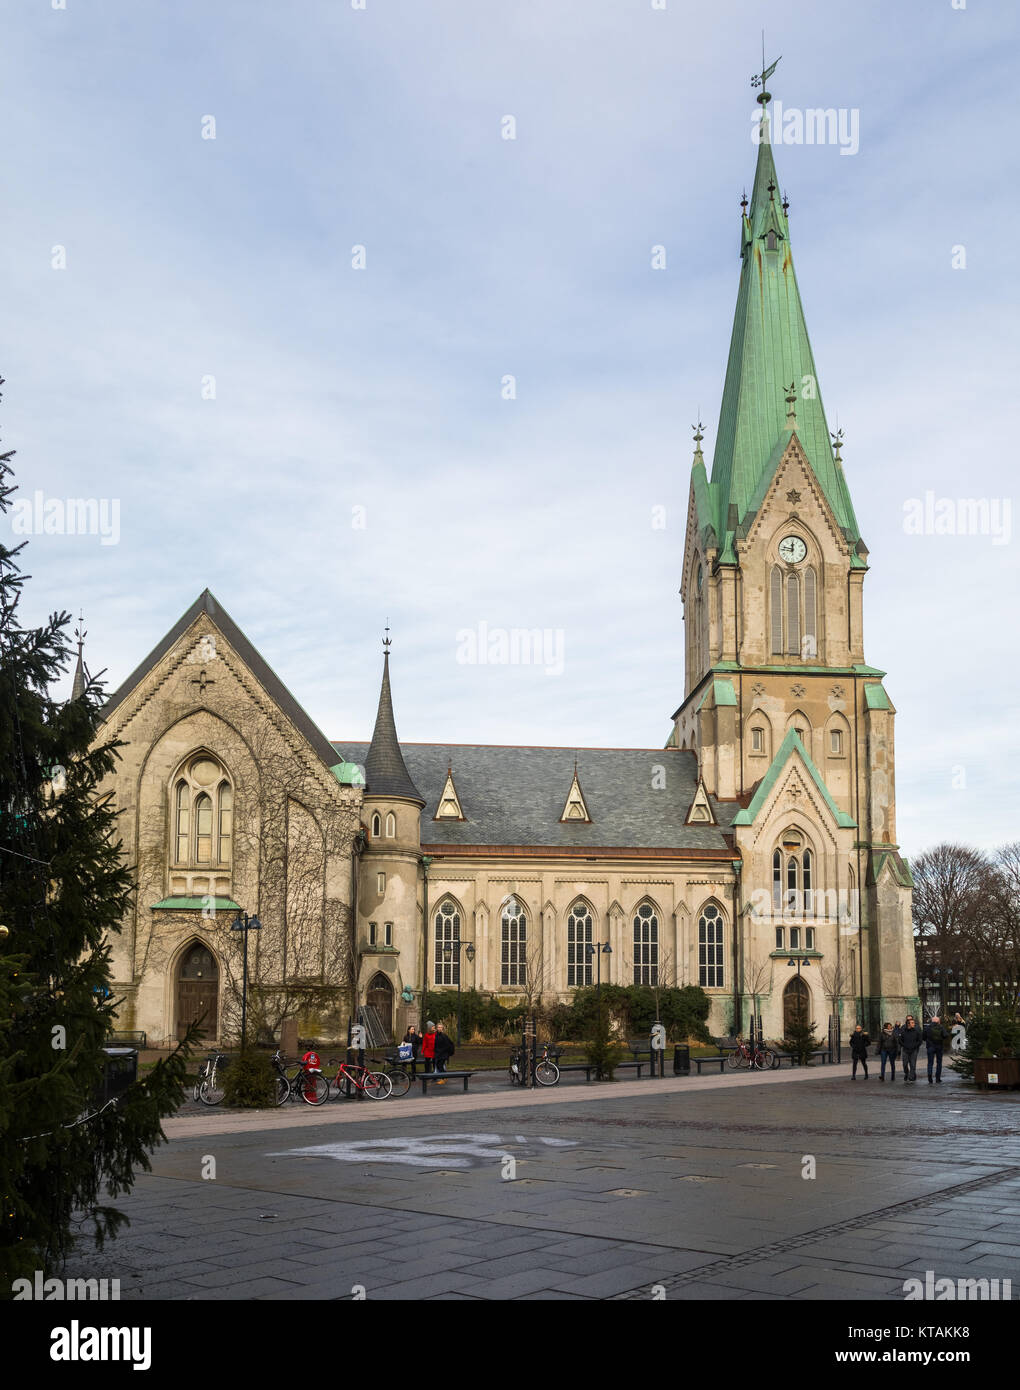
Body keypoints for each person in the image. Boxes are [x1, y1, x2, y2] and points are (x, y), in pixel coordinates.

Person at [924, 1014, 948, 1084]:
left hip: (930, 1047)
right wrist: (941, 1039)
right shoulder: (941, 1027)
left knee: (930, 1063)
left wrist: (928, 1040)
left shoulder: (927, 1027)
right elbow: (946, 1035)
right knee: (939, 1063)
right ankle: (938, 1078)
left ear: (931, 1021)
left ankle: (930, 1077)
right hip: (939, 1047)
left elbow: (923, 1037)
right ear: (938, 1021)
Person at [899, 1015, 922, 1082]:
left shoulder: (916, 1030)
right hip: (905, 1050)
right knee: (905, 1064)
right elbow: (900, 1040)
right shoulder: (903, 1030)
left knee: (913, 1064)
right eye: (912, 1023)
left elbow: (920, 1040)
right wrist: (904, 1045)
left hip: (914, 1050)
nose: (914, 1024)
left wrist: (915, 1046)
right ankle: (907, 1073)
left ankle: (911, 1077)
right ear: (908, 1024)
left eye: (913, 1022)